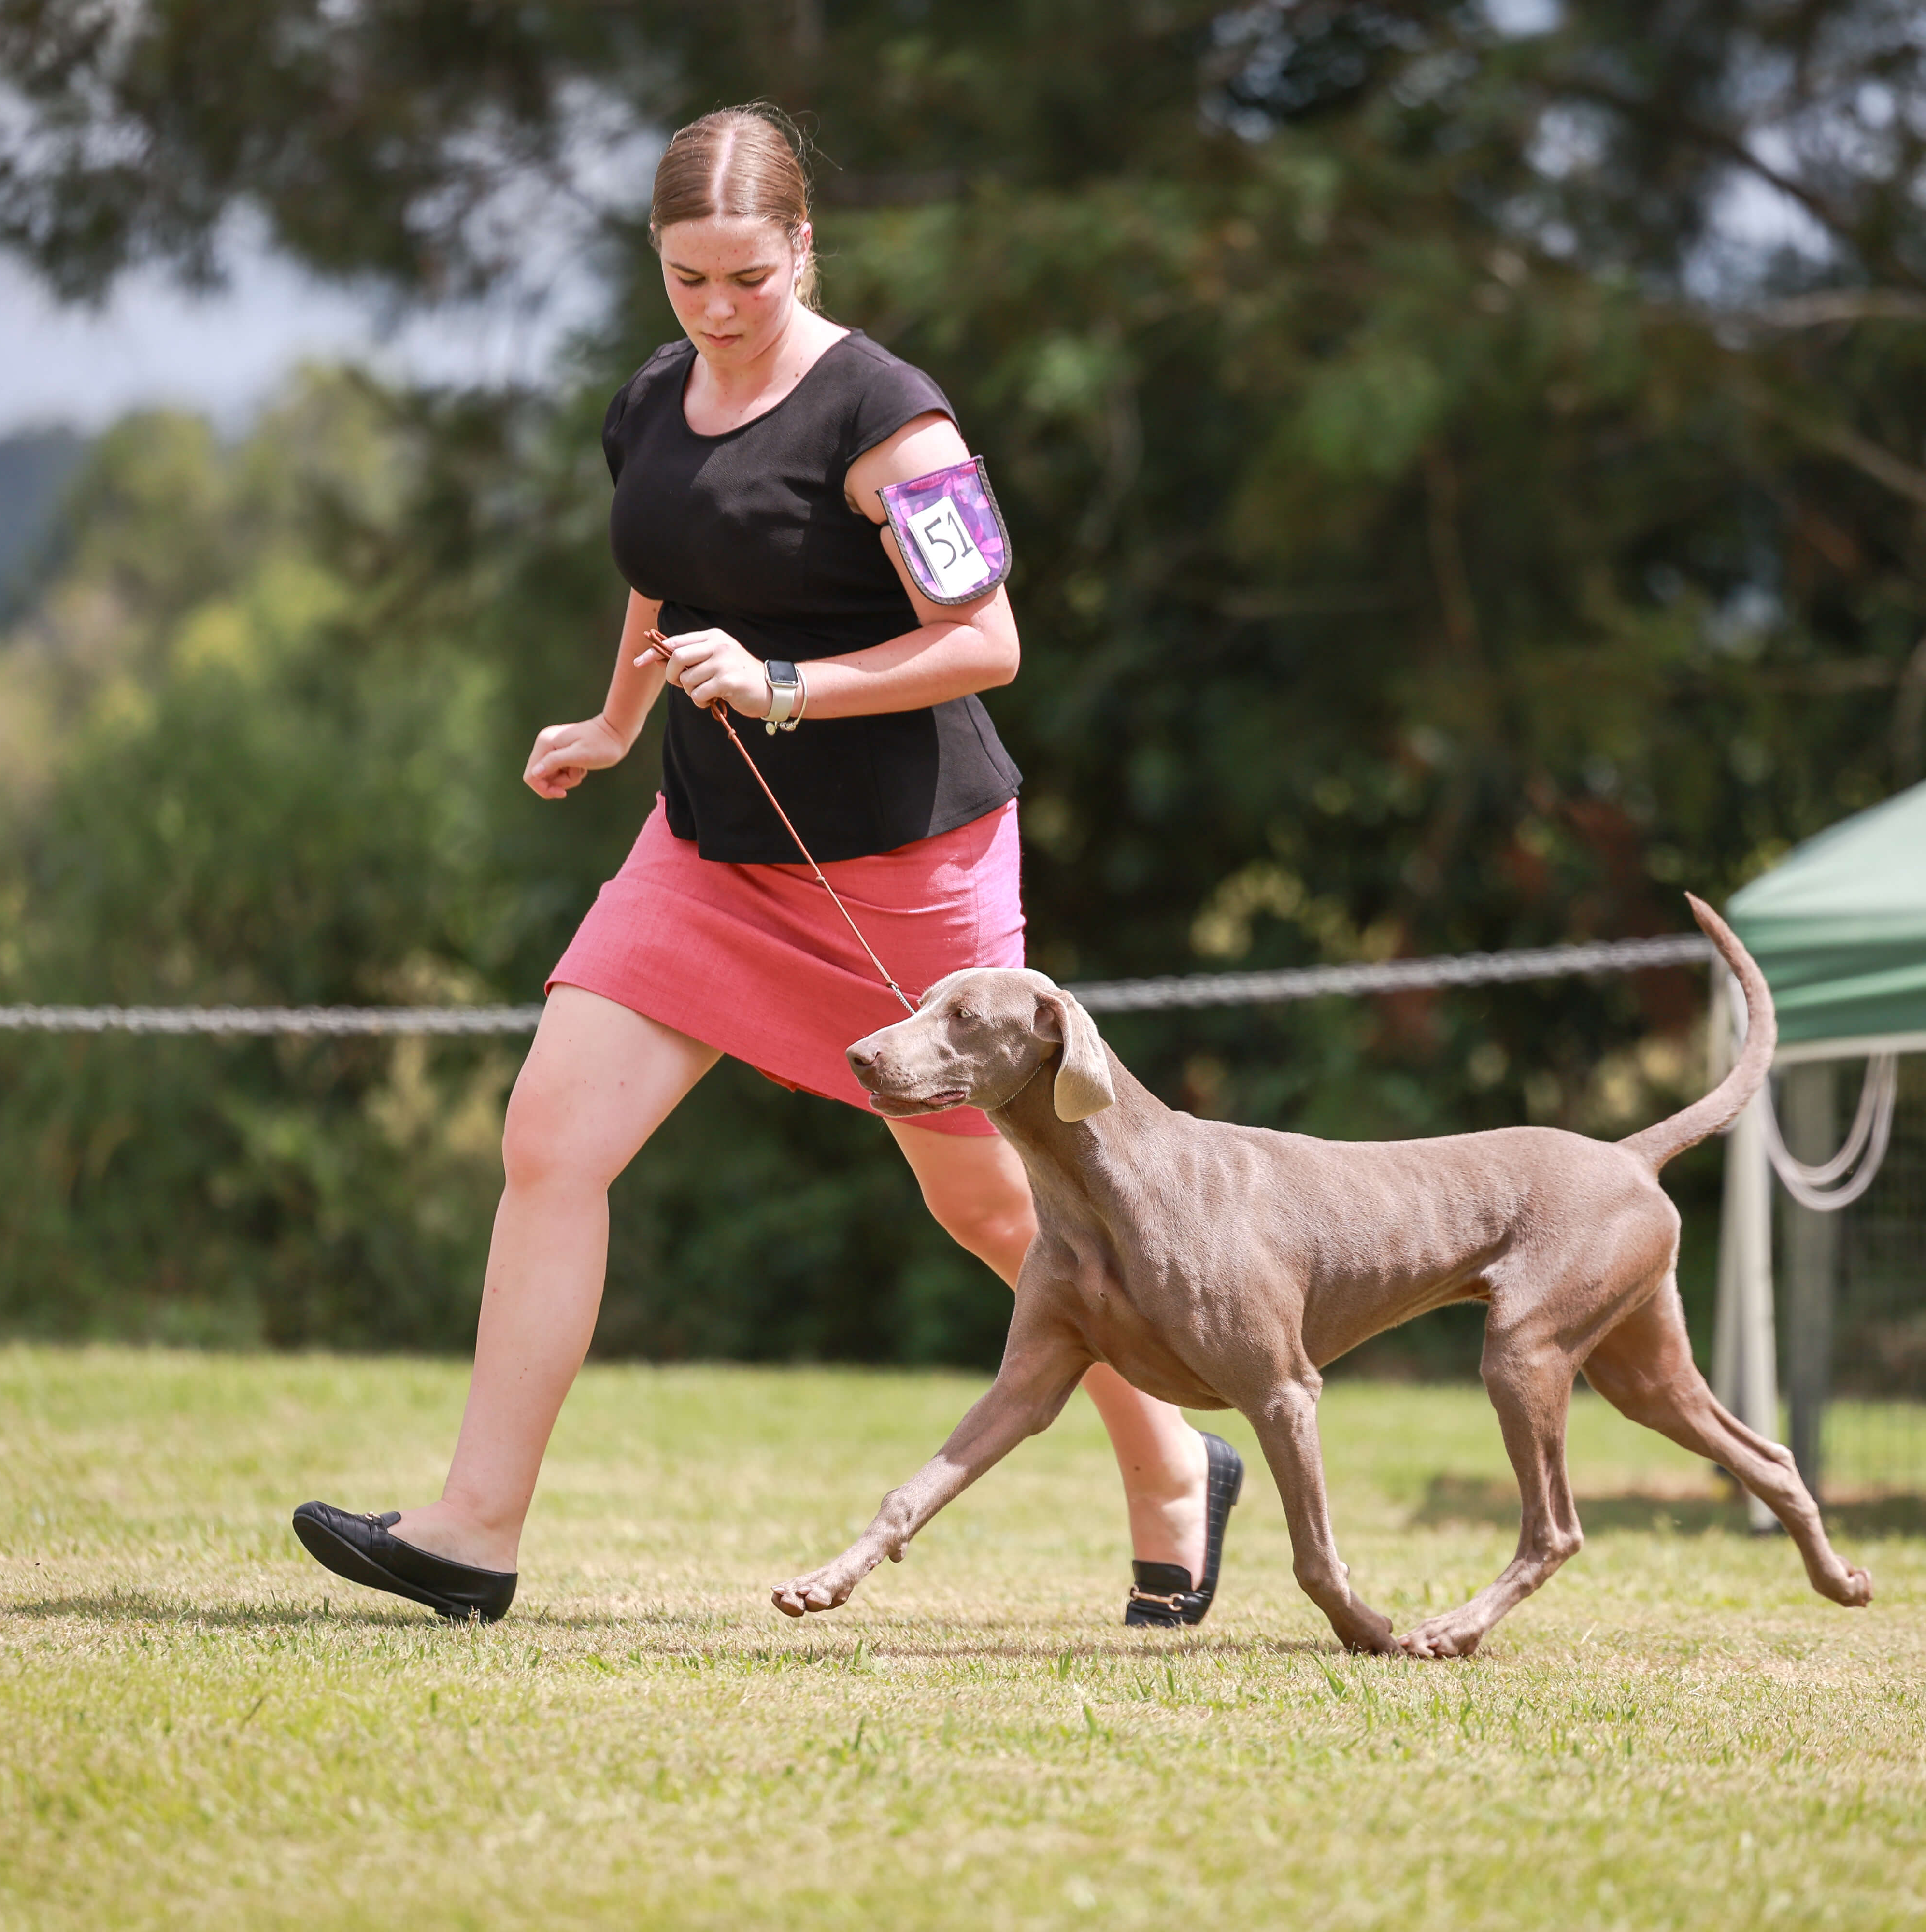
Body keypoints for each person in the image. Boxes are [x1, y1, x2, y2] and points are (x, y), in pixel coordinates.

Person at [292, 105, 1241, 1628]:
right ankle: (475, 1531)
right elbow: (668, 566)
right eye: (689, 281)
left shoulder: (893, 420)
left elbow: (986, 642)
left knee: (999, 1213)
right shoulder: (654, 399)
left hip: (906, 870)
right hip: (709, 848)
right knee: (551, 1138)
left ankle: (1175, 1472)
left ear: (804, 246)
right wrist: (615, 726)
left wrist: (796, 686)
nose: (721, 311)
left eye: (749, 276)